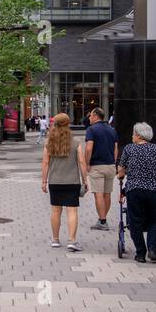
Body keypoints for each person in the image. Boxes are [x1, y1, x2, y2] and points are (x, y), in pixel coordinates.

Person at [117, 123, 156, 263]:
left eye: (133, 134)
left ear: (138, 135)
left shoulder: (129, 149)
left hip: (134, 190)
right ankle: (152, 249)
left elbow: (121, 169)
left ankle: (140, 253)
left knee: (135, 221)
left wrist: (121, 177)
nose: (132, 136)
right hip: (154, 190)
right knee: (154, 220)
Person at [41, 112, 86, 251]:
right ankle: (72, 240)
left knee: (55, 210)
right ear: (68, 123)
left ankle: (55, 239)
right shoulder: (76, 141)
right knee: (72, 211)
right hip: (72, 181)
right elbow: (81, 161)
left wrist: (44, 181)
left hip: (55, 181)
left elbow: (45, 162)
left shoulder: (49, 141)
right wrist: (85, 180)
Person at [82, 108, 120, 231]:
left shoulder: (91, 130)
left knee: (98, 194)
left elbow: (88, 148)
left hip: (97, 166)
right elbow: (116, 149)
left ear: (95, 116)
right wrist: (113, 163)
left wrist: (87, 163)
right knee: (107, 194)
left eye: (90, 115)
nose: (89, 118)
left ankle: (102, 221)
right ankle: (103, 218)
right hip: (110, 166)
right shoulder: (112, 130)